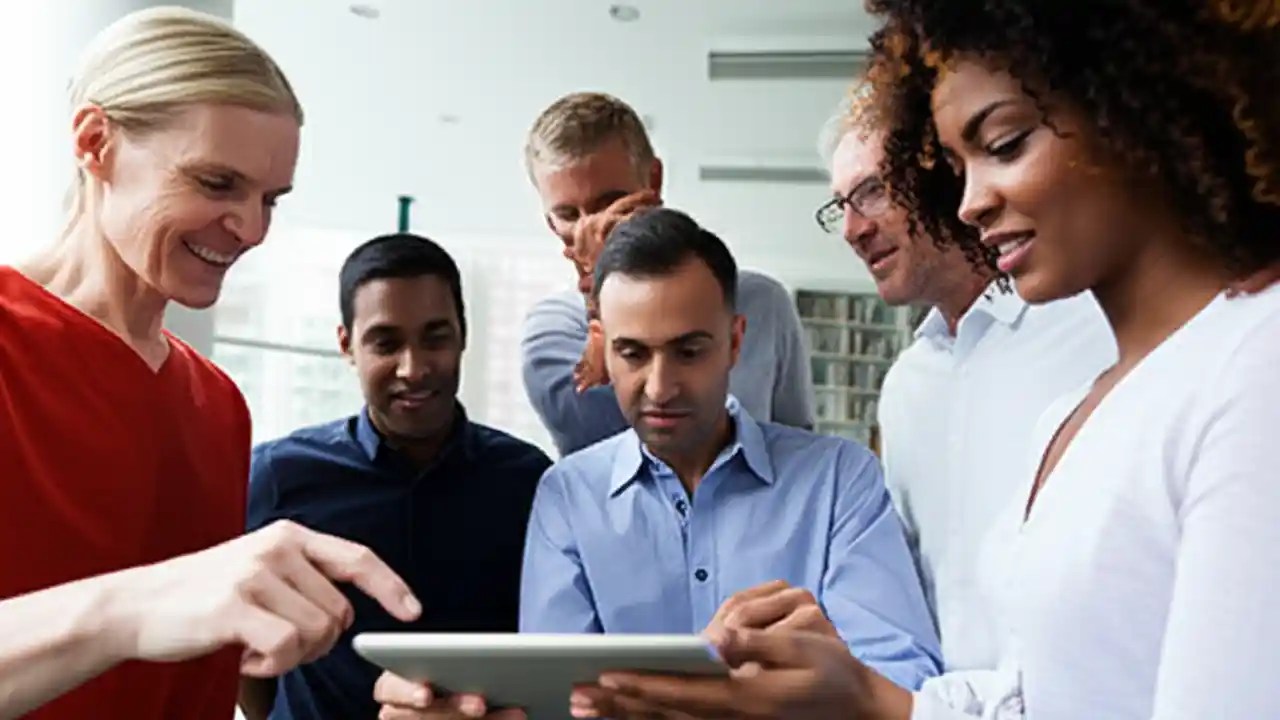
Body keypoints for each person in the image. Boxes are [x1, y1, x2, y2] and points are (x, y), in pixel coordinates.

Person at [568, 1, 1280, 718]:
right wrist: (864, 696)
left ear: (1132, 105)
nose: (968, 203)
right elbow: (1044, 697)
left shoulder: (1253, 361)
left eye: (1004, 143)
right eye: (953, 166)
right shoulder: (1076, 412)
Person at [0, 7, 417, 720]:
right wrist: (137, 606)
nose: (251, 229)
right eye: (217, 183)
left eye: (270, 199)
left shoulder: (217, 403)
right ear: (96, 143)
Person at [815, 93, 1115, 669]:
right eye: (839, 207)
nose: (853, 229)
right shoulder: (904, 388)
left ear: (942, 177)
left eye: (871, 191)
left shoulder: (1094, 331)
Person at [238, 234, 552, 719]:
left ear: (463, 335)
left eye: (435, 337)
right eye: (386, 343)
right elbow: (243, 648)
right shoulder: (278, 477)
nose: (414, 368)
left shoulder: (529, 481)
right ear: (347, 345)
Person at [521, 92, 816, 456]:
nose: (593, 228)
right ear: (550, 222)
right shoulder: (552, 333)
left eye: (609, 203)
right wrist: (600, 294)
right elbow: (608, 453)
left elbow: (799, 451)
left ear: (653, 180)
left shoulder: (762, 304)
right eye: (569, 214)